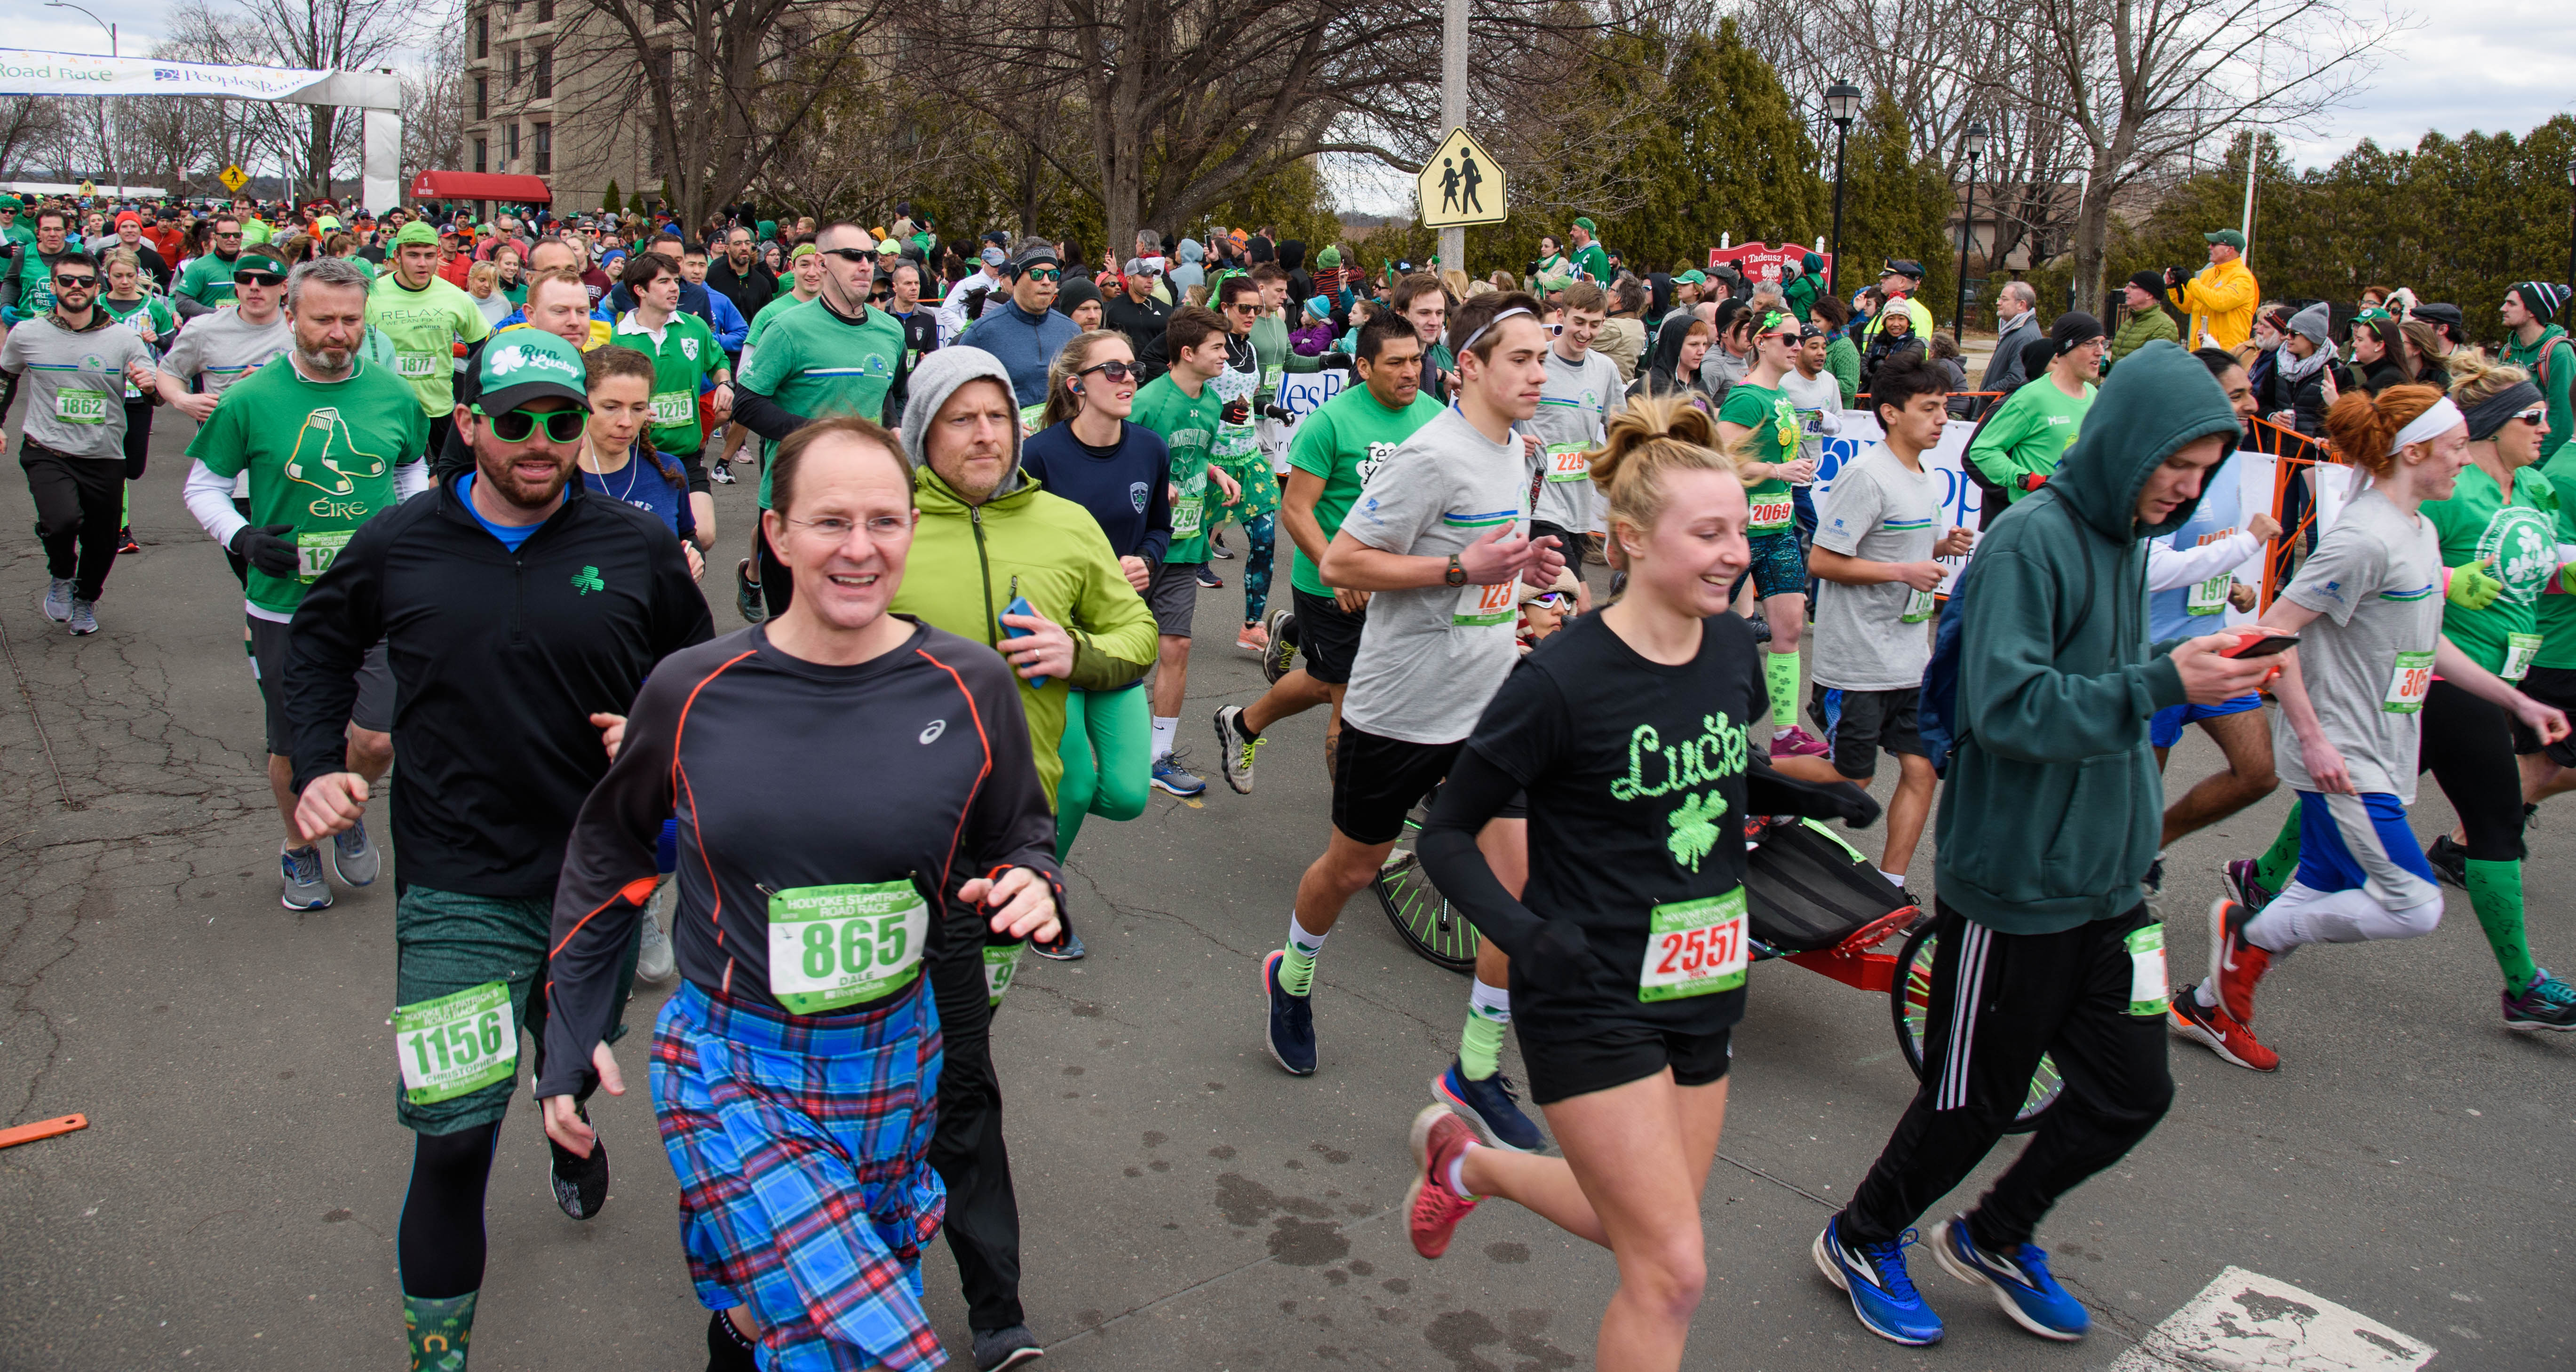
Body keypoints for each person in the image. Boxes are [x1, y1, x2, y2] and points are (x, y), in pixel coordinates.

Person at [536, 414, 1064, 1372]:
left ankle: (737, 1339)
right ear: (777, 535)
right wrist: (568, 1038)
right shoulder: (690, 689)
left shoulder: (970, 684)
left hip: (897, 1057)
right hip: (734, 1064)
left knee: (807, 1290)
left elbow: (1018, 831)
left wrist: (1033, 879)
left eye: (885, 521)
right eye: (829, 523)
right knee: (875, 1342)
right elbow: (608, 847)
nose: (859, 549)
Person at [1812, 341, 2278, 1347]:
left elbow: (2101, 703)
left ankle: (1994, 1232)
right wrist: (2164, 684)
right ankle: (1861, 1234)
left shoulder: (2120, 539)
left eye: (2202, 475)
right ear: (2125, 443)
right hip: (2013, 885)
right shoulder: (2030, 541)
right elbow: (2011, 711)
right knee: (1970, 1100)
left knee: (2130, 1090)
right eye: (2174, 467)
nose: (2186, 490)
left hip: (2108, 888)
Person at [1403, 395, 1879, 1372]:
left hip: (1702, 982)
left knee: (1639, 1226)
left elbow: (1701, 759)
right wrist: (1523, 933)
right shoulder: (1558, 682)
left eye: (1738, 529)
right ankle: (1472, 1155)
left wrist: (1799, 795)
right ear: (1626, 540)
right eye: (1706, 532)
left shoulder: (1727, 652)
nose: (1733, 552)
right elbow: (1448, 834)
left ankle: (1468, 1162)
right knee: (1671, 1272)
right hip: (1586, 993)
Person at [286, 328, 712, 1372]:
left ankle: (558, 1099)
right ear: (470, 422)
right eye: (514, 418)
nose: (539, 441)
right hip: (454, 887)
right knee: (450, 1140)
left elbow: (704, 683)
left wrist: (658, 738)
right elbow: (320, 643)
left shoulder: (636, 548)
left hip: (598, 886)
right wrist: (313, 767)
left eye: (561, 421)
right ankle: (441, 1359)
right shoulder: (399, 542)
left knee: (563, 1062)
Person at [884, 346, 1153, 1362]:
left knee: (960, 1078)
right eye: (960, 418)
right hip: (875, 852)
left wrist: (1072, 656)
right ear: (922, 433)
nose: (986, 435)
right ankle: (866, 1274)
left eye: (997, 415)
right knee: (882, 1076)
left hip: (999, 850)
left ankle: (994, 1311)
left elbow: (1130, 629)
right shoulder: (890, 527)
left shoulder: (1063, 524)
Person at [2184, 380, 2576, 1073]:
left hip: (2385, 746)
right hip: (2345, 753)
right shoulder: (2363, 538)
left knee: (2317, 891)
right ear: (2413, 450)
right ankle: (2244, 934)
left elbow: (2434, 644)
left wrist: (2519, 704)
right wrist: (2310, 737)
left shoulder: (2420, 530)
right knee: (2414, 904)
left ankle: (2210, 1003)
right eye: (2456, 448)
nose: (2464, 459)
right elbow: (2273, 632)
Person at [1262, 292, 1567, 1161]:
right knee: (1351, 868)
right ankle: (1293, 971)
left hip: (1486, 703)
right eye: (1521, 358)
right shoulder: (1432, 456)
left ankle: (1475, 1066)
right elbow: (1346, 557)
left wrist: (1525, 567)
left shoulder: (1520, 450)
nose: (1539, 373)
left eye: (1544, 358)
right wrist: (1455, 566)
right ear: (1468, 364)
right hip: (1397, 707)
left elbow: (1490, 564)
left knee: (1514, 896)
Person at [180, 256, 422, 910]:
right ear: (291, 317)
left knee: (377, 736)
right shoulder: (250, 399)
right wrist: (243, 537)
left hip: (375, 603)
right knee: (291, 741)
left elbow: (409, 470)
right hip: (285, 607)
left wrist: (406, 527)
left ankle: (341, 805)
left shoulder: (393, 393)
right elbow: (202, 487)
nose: (337, 333)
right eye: (322, 320)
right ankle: (299, 847)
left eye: (350, 320)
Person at [1214, 312, 1444, 792]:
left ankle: (1243, 724)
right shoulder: (1330, 422)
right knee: (1350, 703)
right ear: (1363, 367)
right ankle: (1355, 835)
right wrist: (1336, 571)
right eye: (1396, 362)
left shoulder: (1435, 417)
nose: (1410, 371)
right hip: (1332, 587)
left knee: (1328, 681)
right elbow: (1296, 510)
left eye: (1416, 360)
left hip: (1399, 584)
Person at [1799, 357, 1975, 887]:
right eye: (1929, 408)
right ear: (1890, 414)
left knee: (1921, 771)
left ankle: (1889, 885)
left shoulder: (1920, 474)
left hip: (1908, 659)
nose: (1943, 418)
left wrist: (1941, 546)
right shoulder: (1866, 475)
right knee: (1855, 776)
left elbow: (1900, 543)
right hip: (1857, 660)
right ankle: (1748, 777)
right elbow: (1823, 561)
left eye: (1944, 406)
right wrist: (1904, 568)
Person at [2136, 349, 2282, 906]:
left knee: (2258, 773)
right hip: (2157, 656)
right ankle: (2120, 893)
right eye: (2237, 395)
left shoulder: (2231, 461)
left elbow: (2209, 550)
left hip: (2216, 644)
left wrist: (2235, 584)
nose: (2252, 403)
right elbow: (2149, 570)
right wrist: (2245, 545)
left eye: (2249, 392)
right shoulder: (2168, 466)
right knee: (2138, 795)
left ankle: (2153, 841)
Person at [1018, 327, 1164, 862]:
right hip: (1052, 637)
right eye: (1114, 369)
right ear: (1077, 385)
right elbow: (1014, 542)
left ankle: (1020, 818)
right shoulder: (1038, 456)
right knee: (1076, 784)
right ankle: (1037, 887)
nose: (1129, 378)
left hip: (1117, 638)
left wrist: (1146, 560)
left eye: (1132, 367)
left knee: (1128, 796)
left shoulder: (1150, 448)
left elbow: (1160, 528)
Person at [731, 222, 912, 620]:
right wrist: (818, 436)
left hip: (863, 498)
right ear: (823, 265)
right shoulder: (788, 328)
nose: (866, 265)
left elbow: (893, 391)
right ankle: (752, 578)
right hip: (794, 497)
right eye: (852, 256)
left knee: (854, 620)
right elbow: (745, 404)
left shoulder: (889, 331)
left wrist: (893, 425)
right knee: (793, 626)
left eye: (870, 256)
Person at [2, 247, 161, 635]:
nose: (76, 287)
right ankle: (61, 575)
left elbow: (157, 388)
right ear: (54, 285)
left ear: (98, 286)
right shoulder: (27, 334)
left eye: (85, 281)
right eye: (68, 280)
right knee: (61, 522)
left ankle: (85, 598)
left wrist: (150, 385)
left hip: (104, 452)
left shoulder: (123, 339)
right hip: (47, 448)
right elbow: (5, 378)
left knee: (102, 539)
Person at [1127, 305, 1244, 794]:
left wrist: (1216, 473)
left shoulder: (1213, 402)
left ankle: (1158, 754)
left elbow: (1197, 453)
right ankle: (1118, 742)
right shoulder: (1149, 402)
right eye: (1218, 347)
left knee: (1176, 644)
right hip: (1137, 546)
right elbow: (1122, 459)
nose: (1226, 354)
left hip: (1186, 541)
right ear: (1187, 352)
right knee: (1125, 652)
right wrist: (1154, 488)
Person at [1716, 309, 1825, 756]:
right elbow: (1720, 460)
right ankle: (1716, 728)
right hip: (1740, 534)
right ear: (1762, 342)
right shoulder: (1746, 398)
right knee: (1713, 636)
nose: (1798, 346)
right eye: (1790, 339)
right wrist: (1778, 469)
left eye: (1800, 339)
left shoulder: (1780, 395)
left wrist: (1794, 470)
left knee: (1790, 629)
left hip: (1779, 529)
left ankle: (1785, 732)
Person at [157, 248, 296, 586]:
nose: (254, 287)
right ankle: (265, 633)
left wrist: (270, 384)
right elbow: (169, 372)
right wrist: (182, 399)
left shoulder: (302, 329)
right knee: (253, 576)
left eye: (267, 280)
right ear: (235, 285)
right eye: (244, 279)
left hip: (293, 469)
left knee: (292, 578)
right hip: (234, 474)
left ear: (284, 287)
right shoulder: (204, 330)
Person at [610, 251, 732, 539]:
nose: (675, 288)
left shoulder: (695, 327)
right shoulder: (618, 338)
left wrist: (725, 384)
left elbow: (718, 363)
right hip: (637, 455)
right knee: (648, 539)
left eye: (676, 281)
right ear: (640, 290)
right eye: (664, 282)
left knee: (704, 536)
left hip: (688, 455)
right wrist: (633, 411)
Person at [1207, 274, 1292, 650]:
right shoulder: (1207, 343)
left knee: (1265, 539)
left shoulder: (1251, 350)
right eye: (1244, 308)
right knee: (1176, 548)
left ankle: (1251, 625)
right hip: (1208, 461)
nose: (1252, 315)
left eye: (1256, 309)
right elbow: (1183, 389)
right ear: (1225, 307)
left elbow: (1245, 399)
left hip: (1247, 456)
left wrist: (1269, 407)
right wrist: (1216, 409)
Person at [1526, 281, 1624, 602]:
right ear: (1561, 316)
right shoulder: (1537, 362)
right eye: (1579, 322)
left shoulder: (1605, 370)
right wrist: (1515, 439)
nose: (1585, 332)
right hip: (1540, 503)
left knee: (1559, 606)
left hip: (1580, 505)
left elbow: (1620, 430)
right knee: (1579, 599)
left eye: (1594, 325)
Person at [369, 219, 493, 469]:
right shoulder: (372, 295)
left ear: (438, 255)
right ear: (397, 256)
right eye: (413, 255)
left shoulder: (454, 296)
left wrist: (473, 397)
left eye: (428, 255)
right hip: (388, 411)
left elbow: (484, 348)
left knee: (442, 485)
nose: (422, 264)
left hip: (439, 409)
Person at [1967, 312, 2104, 503]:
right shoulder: (2032, 397)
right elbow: (1982, 451)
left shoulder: (2094, 395)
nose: (2100, 352)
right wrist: (2027, 481)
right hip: (2036, 516)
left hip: (2078, 514)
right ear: (2066, 348)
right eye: (2090, 344)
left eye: (2102, 343)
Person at [959, 241, 1079, 420]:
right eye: (1037, 274)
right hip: (1009, 444)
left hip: (1062, 442)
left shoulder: (1072, 331)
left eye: (1053, 275)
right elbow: (959, 400)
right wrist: (1002, 424)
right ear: (1016, 277)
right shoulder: (982, 334)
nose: (1047, 282)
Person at [2496, 282, 2572, 459]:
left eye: (2512, 304)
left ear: (2532, 311)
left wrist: (2538, 469)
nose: (2503, 309)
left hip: (2536, 465)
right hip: (2509, 459)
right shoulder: (2507, 351)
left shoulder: (2559, 354)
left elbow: (2562, 422)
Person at [2163, 229, 2259, 351]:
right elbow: (2189, 306)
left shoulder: (2243, 277)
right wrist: (2173, 287)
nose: (2210, 247)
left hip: (2225, 352)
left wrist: (2189, 282)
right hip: (2199, 349)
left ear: (2229, 250)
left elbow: (2220, 302)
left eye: (2214, 244)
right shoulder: (2208, 274)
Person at [1105, 256, 1173, 381]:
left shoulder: (1165, 310)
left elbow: (1175, 341)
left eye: (1152, 276)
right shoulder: (1112, 309)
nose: (1150, 281)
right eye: (1145, 276)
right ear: (1130, 279)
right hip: (1125, 376)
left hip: (1159, 378)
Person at [1976, 282, 2041, 412]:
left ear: (2021, 305)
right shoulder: (2013, 330)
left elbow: (2017, 379)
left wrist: (1986, 395)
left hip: (1998, 412)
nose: (1998, 303)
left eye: (2004, 299)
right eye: (1999, 299)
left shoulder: (2026, 336)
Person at [2108, 271, 2179, 370]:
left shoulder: (2165, 326)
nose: (2125, 291)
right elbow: (2115, 367)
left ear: (2149, 295)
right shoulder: (2129, 323)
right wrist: (2102, 363)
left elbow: (2153, 369)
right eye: (2127, 286)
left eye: (2133, 287)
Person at [2350, 315, 2408, 395]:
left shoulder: (2388, 380)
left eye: (2360, 340)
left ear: (2379, 345)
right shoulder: (2383, 374)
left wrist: (2335, 402)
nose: (2354, 345)